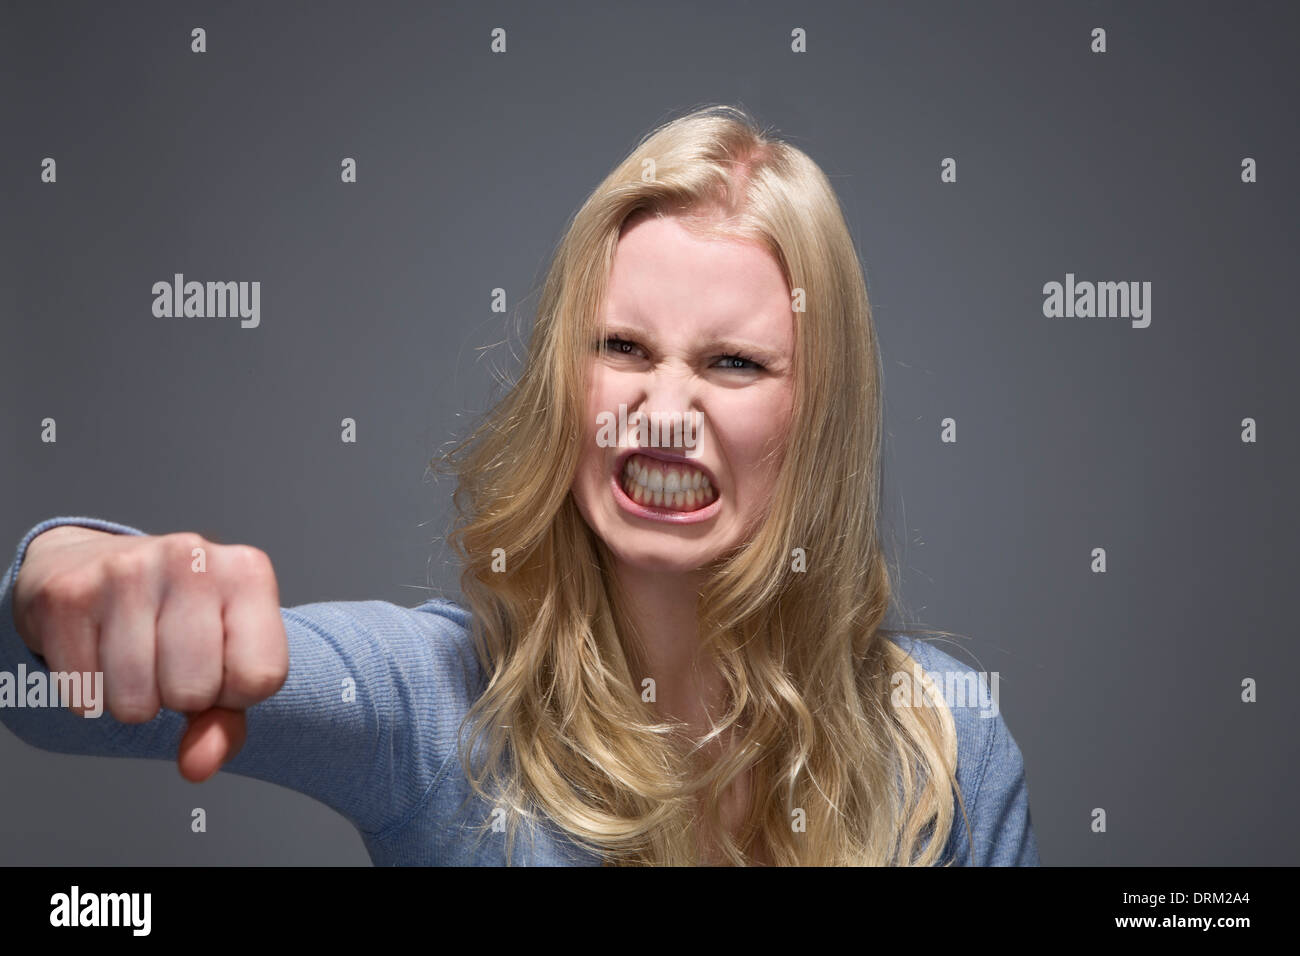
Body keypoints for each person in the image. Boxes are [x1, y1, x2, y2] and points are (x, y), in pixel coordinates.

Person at [0, 104, 1039, 866]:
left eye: (732, 364)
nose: (664, 406)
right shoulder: (433, 705)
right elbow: (56, 698)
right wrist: (58, 575)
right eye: (623, 346)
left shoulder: (944, 737)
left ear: (818, 417)